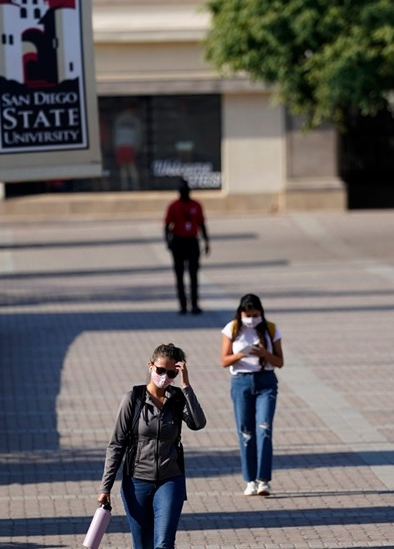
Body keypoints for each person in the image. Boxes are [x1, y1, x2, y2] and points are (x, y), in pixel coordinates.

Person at [98, 343, 206, 549]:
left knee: (164, 543)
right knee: (142, 545)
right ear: (150, 366)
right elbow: (116, 445)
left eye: (171, 373)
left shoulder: (177, 399)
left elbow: (198, 423)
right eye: (161, 370)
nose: (165, 376)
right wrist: (106, 487)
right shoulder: (133, 399)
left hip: (170, 480)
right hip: (136, 482)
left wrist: (186, 387)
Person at [220, 293, 285, 496]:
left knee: (264, 429)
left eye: (256, 314)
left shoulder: (270, 328)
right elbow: (224, 360)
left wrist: (264, 354)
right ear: (241, 313)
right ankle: (250, 480)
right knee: (246, 431)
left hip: (266, 381)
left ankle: (263, 480)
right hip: (241, 382)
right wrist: (242, 353)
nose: (252, 319)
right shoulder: (232, 328)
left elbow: (280, 362)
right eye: (248, 315)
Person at [164, 179, 210, 315]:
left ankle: (194, 304)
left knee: (193, 274)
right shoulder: (174, 206)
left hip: (192, 242)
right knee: (179, 275)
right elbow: (167, 225)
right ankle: (183, 305)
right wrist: (168, 241)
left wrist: (206, 241)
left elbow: (201, 224)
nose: (184, 193)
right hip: (178, 242)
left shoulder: (196, 205)